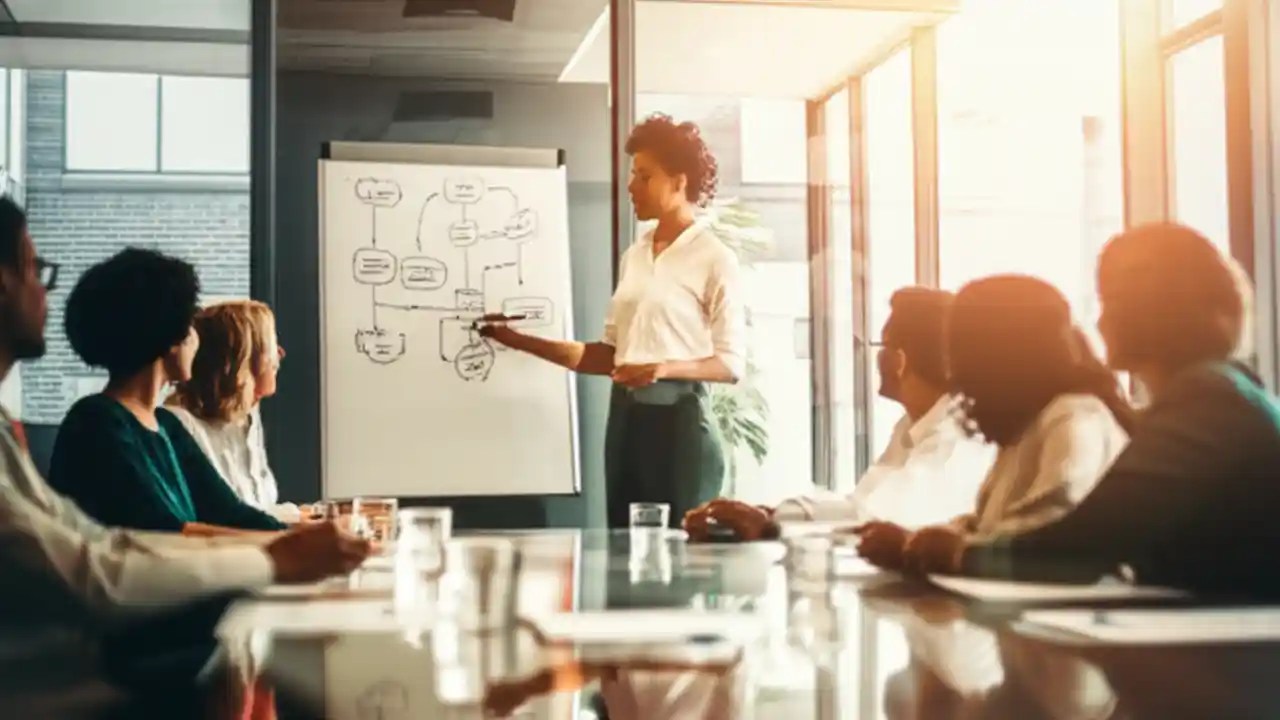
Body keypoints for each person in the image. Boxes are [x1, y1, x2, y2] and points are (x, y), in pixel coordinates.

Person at [0, 196, 368, 713]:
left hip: (147, 643)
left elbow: (122, 540)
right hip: (103, 668)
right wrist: (281, 555)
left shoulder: (161, 425)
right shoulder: (97, 421)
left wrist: (296, 542)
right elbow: (119, 559)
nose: (44, 287)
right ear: (169, 334)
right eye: (34, 268)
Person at [901, 225, 1280, 599]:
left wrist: (955, 553)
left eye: (1115, 301)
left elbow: (1079, 549)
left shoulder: (1207, 399)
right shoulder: (1216, 394)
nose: (1101, 321)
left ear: (1170, 308)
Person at [479, 113, 745, 528]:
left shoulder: (715, 258)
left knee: (682, 555)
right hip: (625, 421)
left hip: (682, 427)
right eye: (632, 175)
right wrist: (514, 339)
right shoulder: (635, 255)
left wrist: (661, 368)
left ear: (679, 182)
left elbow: (730, 366)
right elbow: (607, 357)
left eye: (644, 176)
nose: (631, 186)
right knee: (626, 545)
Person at [857, 275, 1134, 570]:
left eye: (962, 356)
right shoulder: (1025, 425)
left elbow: (1055, 532)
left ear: (998, 354)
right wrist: (915, 541)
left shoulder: (1075, 418)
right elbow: (988, 526)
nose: (954, 375)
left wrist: (958, 552)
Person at [682, 288, 993, 541]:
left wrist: (769, 522)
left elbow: (877, 517)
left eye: (881, 345)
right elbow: (863, 502)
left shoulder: (955, 436)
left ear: (899, 360)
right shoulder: (913, 425)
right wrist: (768, 513)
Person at [49, 248, 286, 533]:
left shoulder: (167, 426)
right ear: (172, 336)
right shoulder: (96, 422)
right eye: (189, 325)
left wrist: (306, 537)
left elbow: (229, 512)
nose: (196, 339)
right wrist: (293, 546)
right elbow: (168, 533)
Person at [167, 300, 305, 523]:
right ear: (243, 358)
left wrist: (310, 516)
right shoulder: (179, 424)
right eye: (271, 346)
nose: (281, 353)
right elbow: (224, 520)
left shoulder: (248, 416)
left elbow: (260, 510)